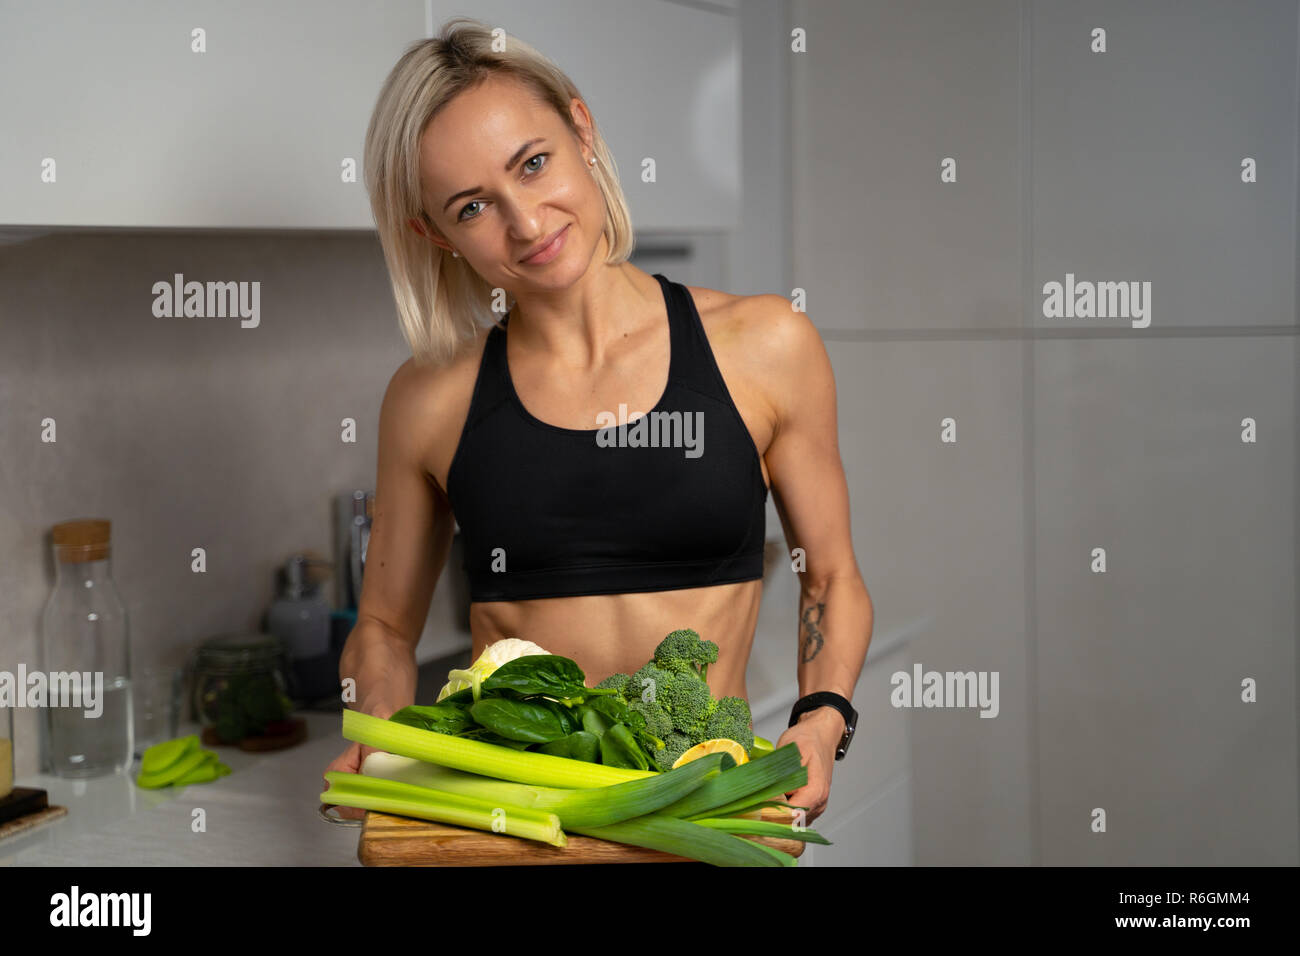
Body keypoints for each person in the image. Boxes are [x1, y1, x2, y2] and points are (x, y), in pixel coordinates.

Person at [324, 17, 873, 826]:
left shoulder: (766, 347)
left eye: (534, 163)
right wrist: (380, 730)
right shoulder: (427, 399)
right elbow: (381, 625)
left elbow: (830, 576)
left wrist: (822, 720)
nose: (527, 222)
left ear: (582, 130)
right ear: (431, 234)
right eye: (474, 206)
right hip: (510, 824)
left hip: (699, 808)